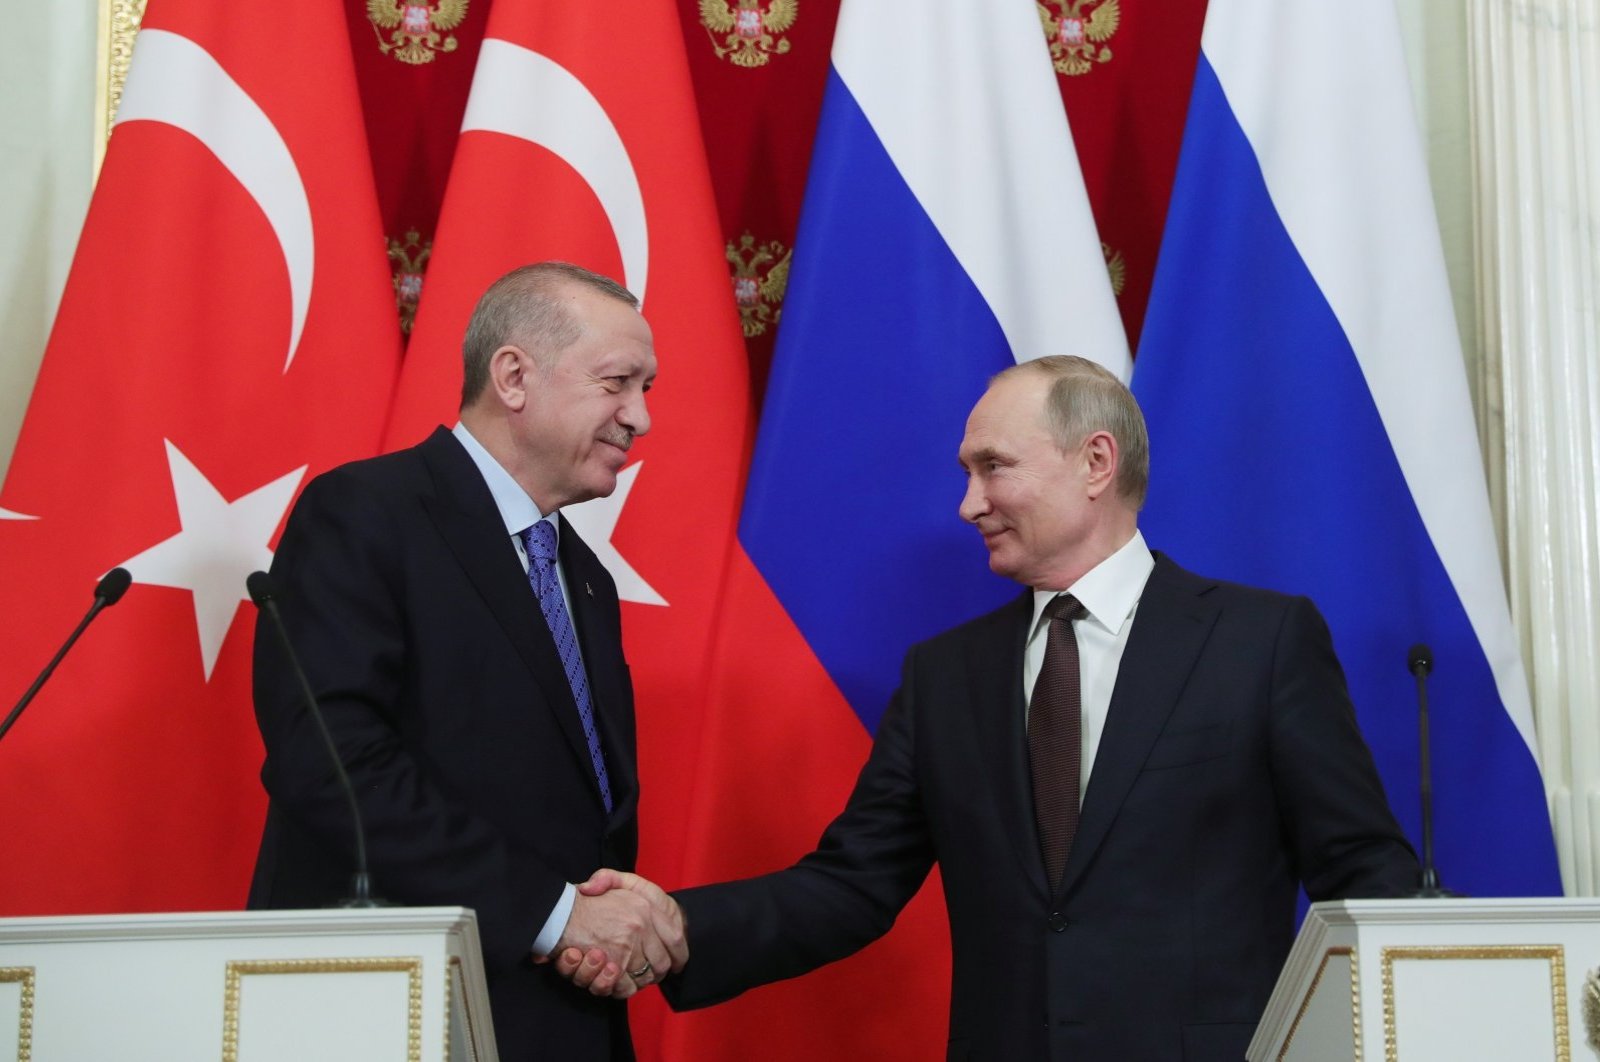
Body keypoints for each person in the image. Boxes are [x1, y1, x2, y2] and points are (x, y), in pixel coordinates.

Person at [562, 355, 1418, 1060]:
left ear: (1095, 463)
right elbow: (853, 885)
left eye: (992, 468)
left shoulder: (1257, 641)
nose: (968, 504)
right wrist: (677, 923)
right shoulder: (948, 677)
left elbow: (1362, 874)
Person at [248, 262, 686, 1060]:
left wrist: (595, 925)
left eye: (647, 389)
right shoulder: (366, 514)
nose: (642, 418)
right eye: (620, 382)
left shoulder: (581, 575)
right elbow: (333, 764)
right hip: (391, 1007)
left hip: (557, 1017)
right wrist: (552, 915)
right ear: (513, 377)